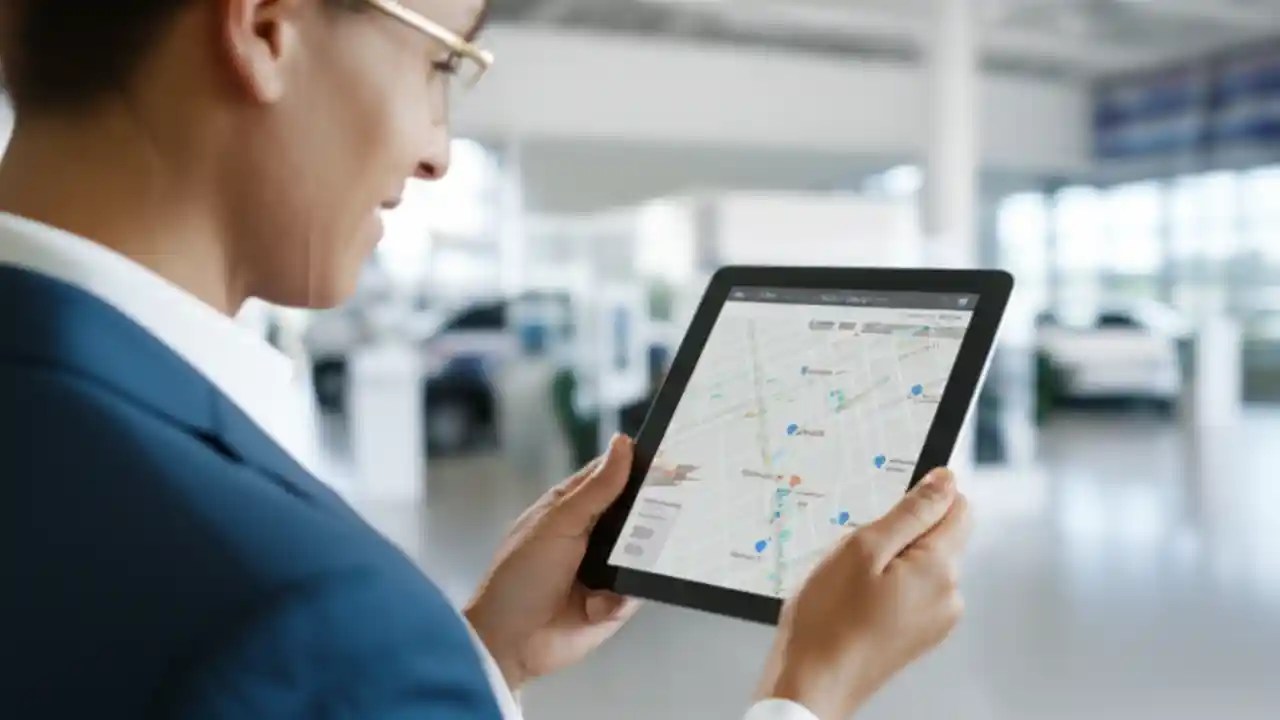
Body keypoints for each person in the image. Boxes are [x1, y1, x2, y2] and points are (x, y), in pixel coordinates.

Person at [0, 1, 971, 718]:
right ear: (262, 28)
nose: (438, 154)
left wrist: (477, 654)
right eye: (441, 65)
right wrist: (813, 689)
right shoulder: (303, 614)